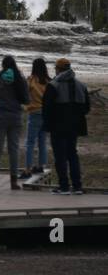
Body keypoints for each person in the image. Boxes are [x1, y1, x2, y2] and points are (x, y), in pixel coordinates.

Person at [43, 57, 90, 195]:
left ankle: (64, 187)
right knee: (72, 154)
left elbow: (47, 108)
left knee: (60, 156)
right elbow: (86, 108)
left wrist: (48, 124)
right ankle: (77, 187)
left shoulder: (53, 85)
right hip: (75, 126)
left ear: (58, 69)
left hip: (58, 126)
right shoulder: (81, 85)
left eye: (55, 68)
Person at [0, 55, 29, 190]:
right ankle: (13, 182)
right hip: (15, 117)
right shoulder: (20, 78)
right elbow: (26, 99)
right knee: (14, 150)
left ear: (3, 65)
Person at [22, 57, 51, 180]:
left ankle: (28, 169)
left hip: (34, 113)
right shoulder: (49, 81)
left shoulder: (31, 80)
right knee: (42, 141)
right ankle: (40, 165)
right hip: (45, 113)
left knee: (30, 142)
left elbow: (25, 93)